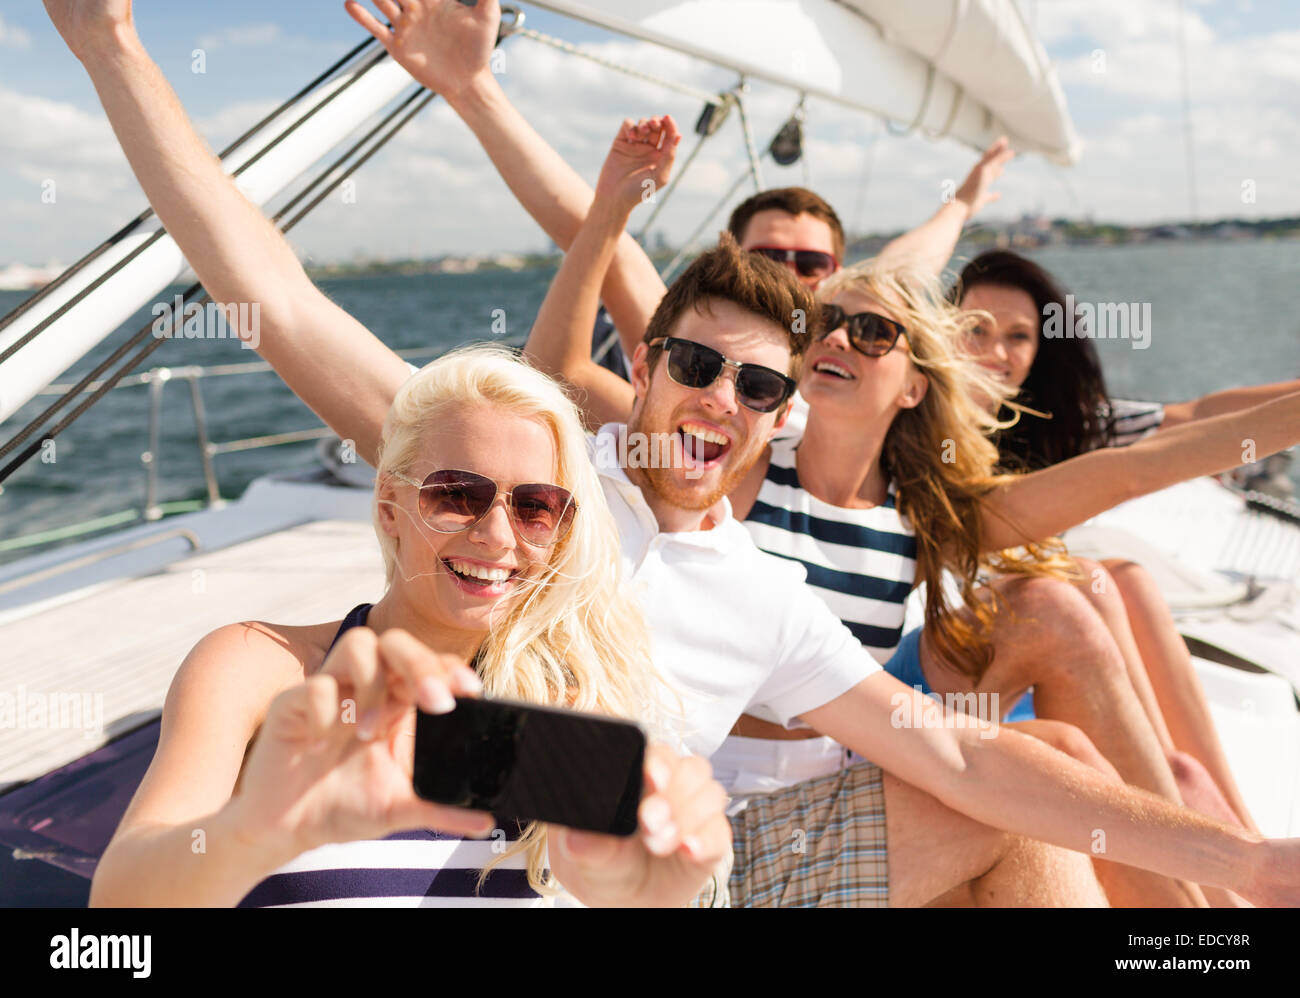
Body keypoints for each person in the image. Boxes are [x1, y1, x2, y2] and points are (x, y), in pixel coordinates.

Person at [51, 0, 1300, 910]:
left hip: (667, 853)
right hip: (588, 827)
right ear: (636, 367)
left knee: (1018, 779)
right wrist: (113, 44)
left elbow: (960, 750)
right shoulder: (547, 481)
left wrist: (1246, 861)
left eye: (759, 383)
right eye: (693, 363)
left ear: (780, 411)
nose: (495, 532)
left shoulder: (760, 586)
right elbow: (277, 294)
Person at [89, 346, 733, 907]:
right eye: (456, 495)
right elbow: (120, 905)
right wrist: (262, 830)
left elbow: (617, 888)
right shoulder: (262, 669)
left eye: (536, 507)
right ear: (389, 505)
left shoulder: (563, 707)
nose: (498, 536)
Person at [954, 248, 1300, 834]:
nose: (996, 352)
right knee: (1088, 579)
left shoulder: (1058, 422)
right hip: (954, 614)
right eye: (975, 330)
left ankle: (1220, 809)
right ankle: (1186, 799)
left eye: (1018, 336)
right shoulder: (914, 416)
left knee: (1127, 576)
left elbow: (1191, 417)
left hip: (1029, 602)